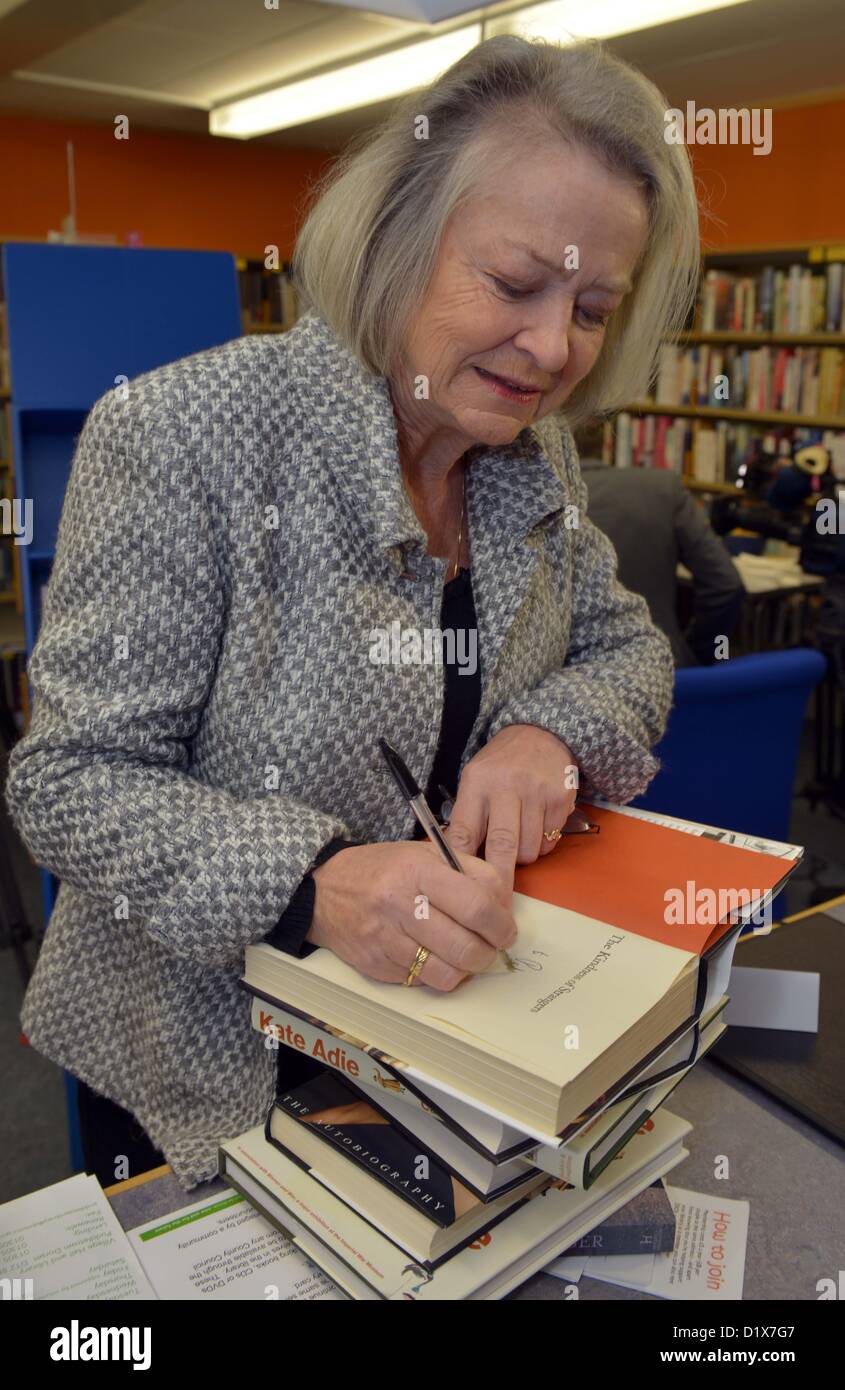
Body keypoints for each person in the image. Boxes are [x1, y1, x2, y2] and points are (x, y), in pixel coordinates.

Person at [5, 35, 700, 1190]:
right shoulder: (180, 437)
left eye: (592, 307)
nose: (551, 348)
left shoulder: (532, 456)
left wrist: (552, 732)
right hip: (206, 1052)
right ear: (394, 238)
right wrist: (311, 883)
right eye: (512, 282)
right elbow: (68, 782)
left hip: (445, 1037)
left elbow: (626, 646)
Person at [576, 421, 745, 665]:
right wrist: (699, 655)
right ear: (609, 443)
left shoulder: (546, 498)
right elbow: (726, 584)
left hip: (570, 675)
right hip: (666, 665)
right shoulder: (663, 488)